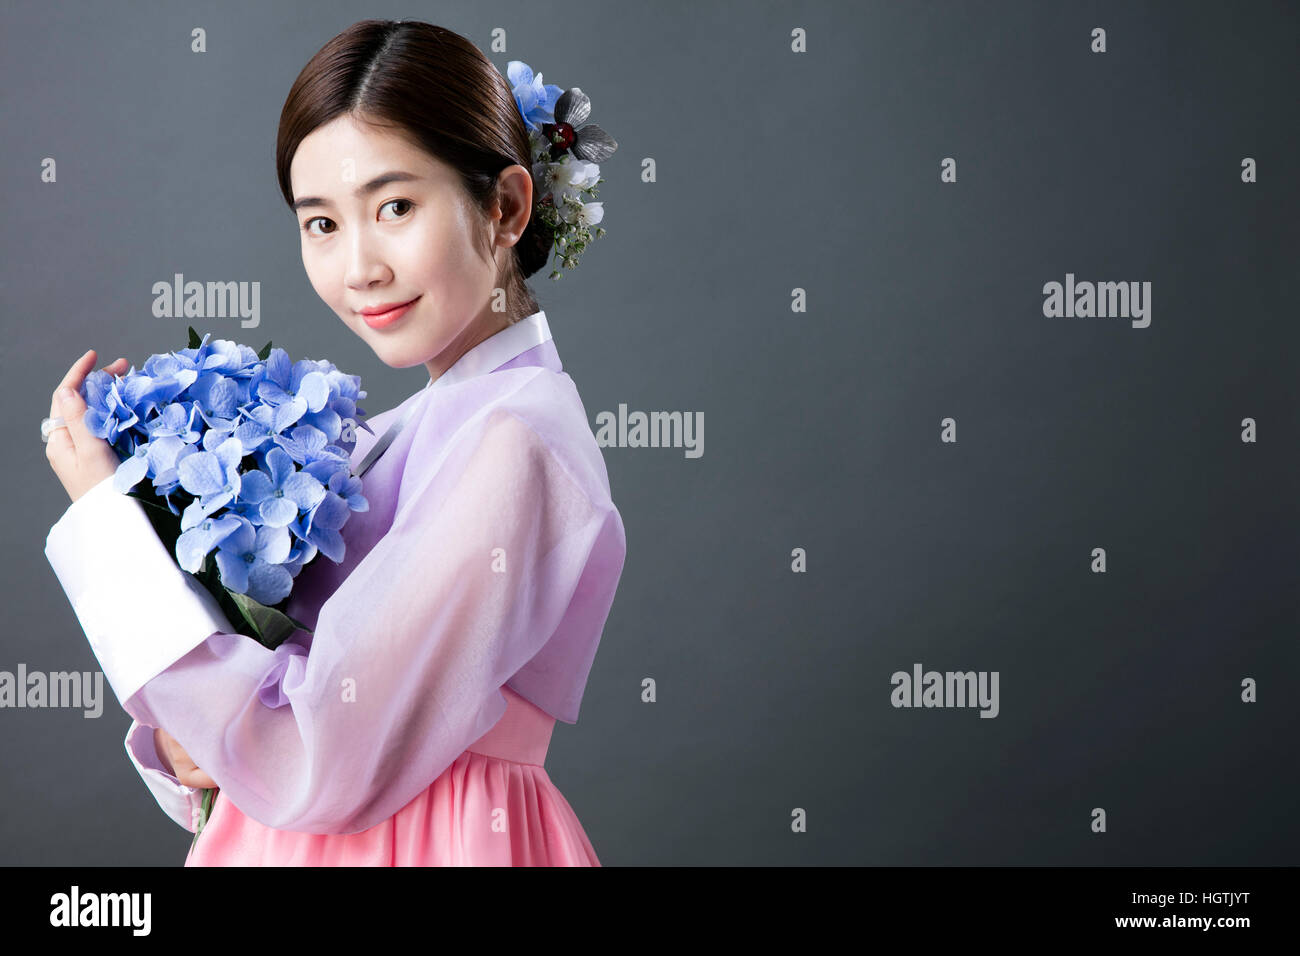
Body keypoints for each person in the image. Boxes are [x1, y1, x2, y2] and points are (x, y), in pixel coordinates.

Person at [41, 19, 625, 866]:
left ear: (504, 207)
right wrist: (188, 744)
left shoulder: (513, 442)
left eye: (395, 207)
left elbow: (313, 757)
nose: (359, 267)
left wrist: (108, 518)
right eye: (321, 224)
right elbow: (261, 746)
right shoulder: (408, 431)